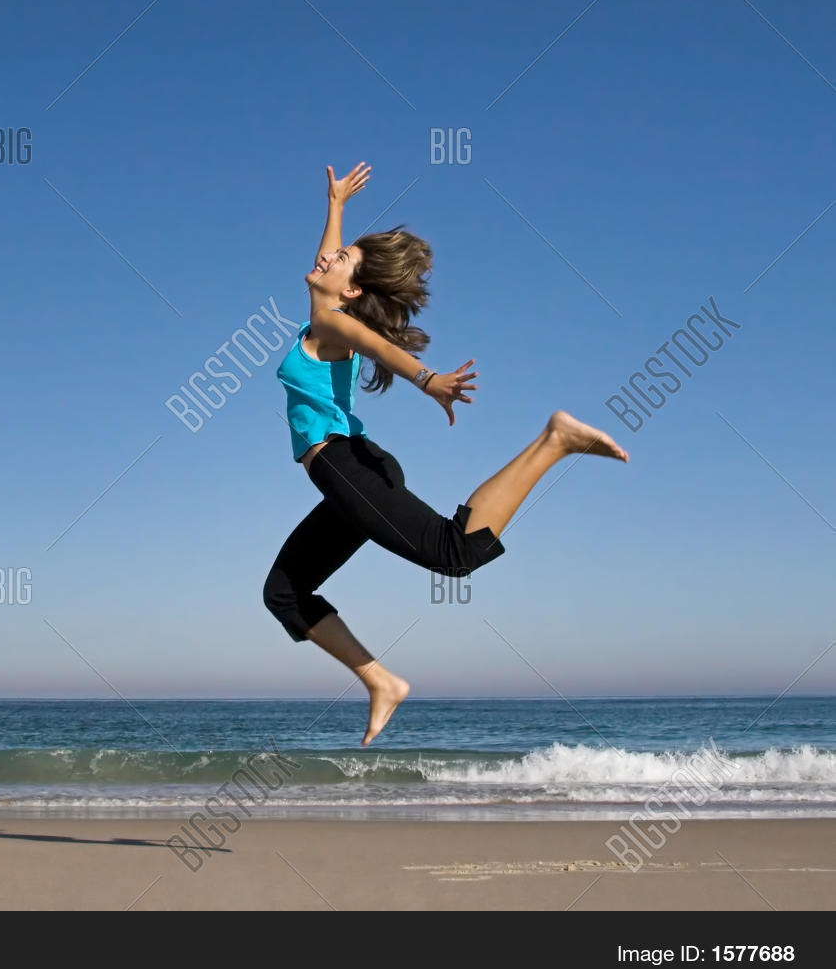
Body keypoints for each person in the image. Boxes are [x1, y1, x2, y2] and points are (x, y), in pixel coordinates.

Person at [262, 162, 628, 745]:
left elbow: (376, 341)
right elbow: (332, 260)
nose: (327, 258)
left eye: (341, 261)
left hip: (347, 467)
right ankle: (382, 682)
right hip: (346, 473)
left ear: (350, 290)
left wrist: (427, 378)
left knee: (455, 555)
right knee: (283, 592)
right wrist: (335, 206)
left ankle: (554, 441)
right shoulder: (328, 307)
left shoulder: (334, 322)